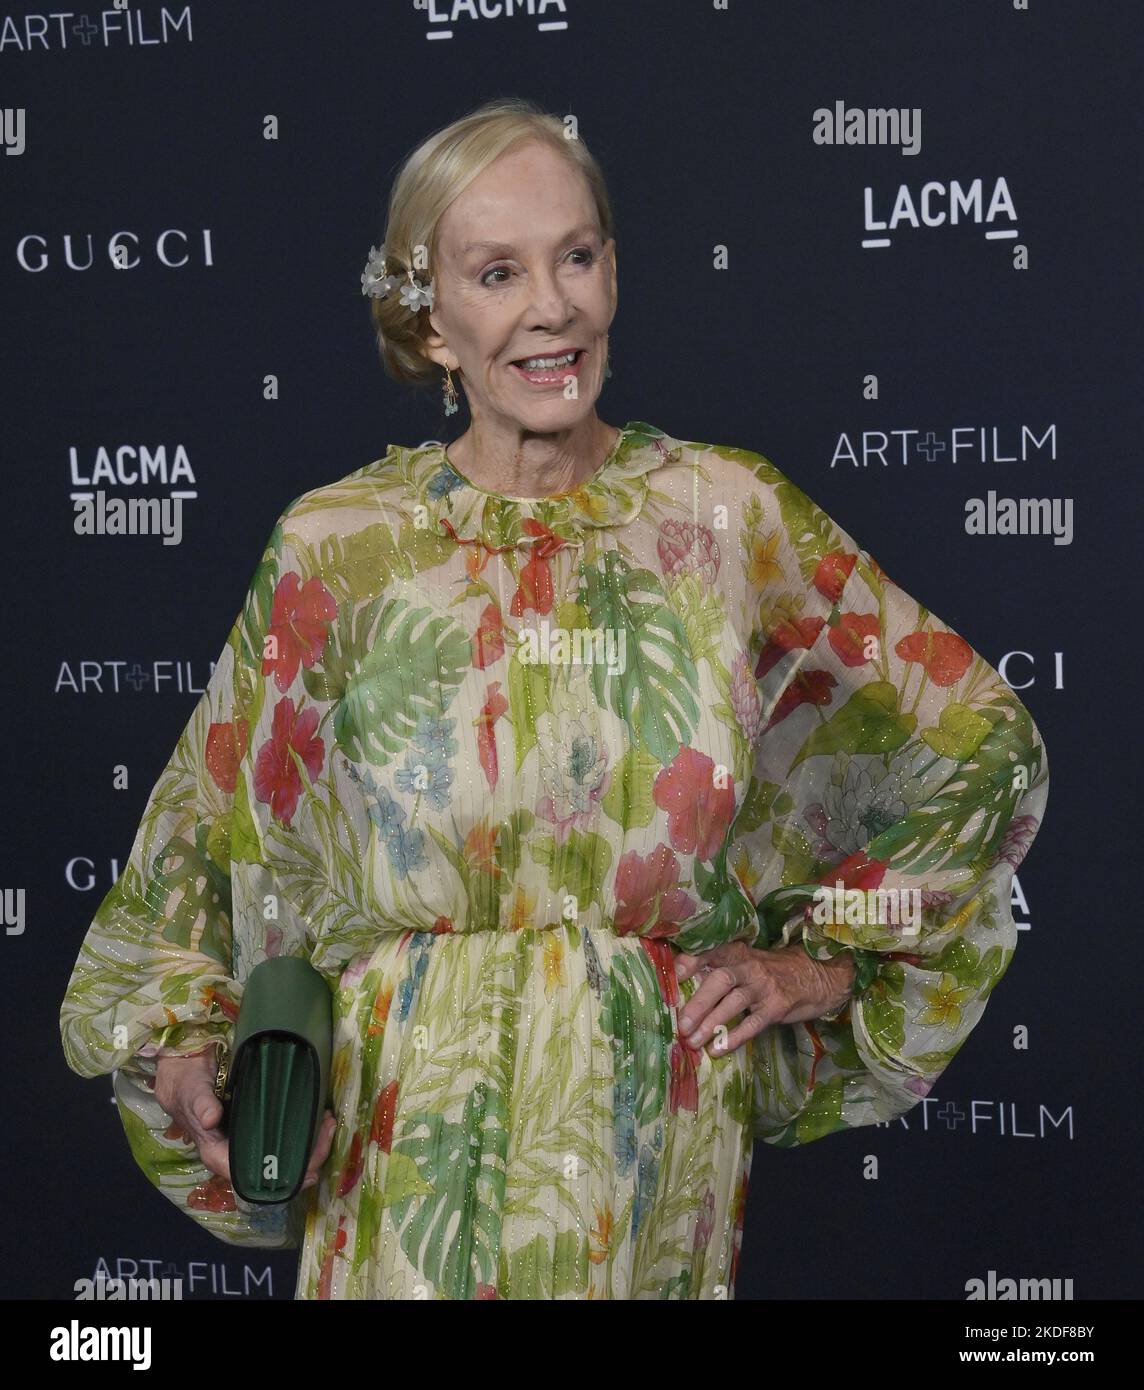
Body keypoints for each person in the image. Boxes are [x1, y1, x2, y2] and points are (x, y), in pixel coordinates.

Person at [60, 97, 1049, 1300]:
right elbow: (191, 850)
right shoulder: (337, 549)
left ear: (614, 271)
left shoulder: (724, 519)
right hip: (394, 1167)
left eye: (576, 257)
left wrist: (823, 965)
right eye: (497, 272)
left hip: (646, 1161)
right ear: (431, 321)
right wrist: (190, 1061)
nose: (552, 307)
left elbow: (982, 744)